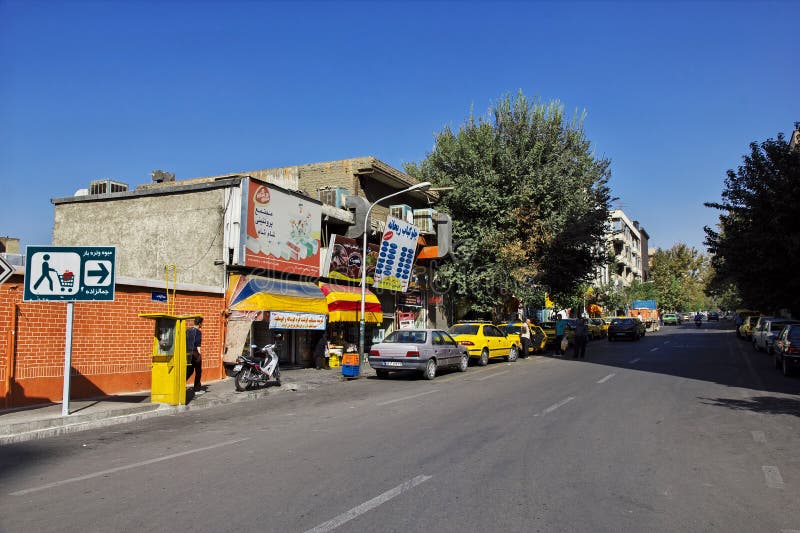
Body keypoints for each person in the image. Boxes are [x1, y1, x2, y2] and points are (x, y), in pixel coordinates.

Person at [186, 317, 205, 394]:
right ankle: (197, 389)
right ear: (199, 323)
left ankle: (180, 384)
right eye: (202, 323)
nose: (202, 325)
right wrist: (200, 355)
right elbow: (198, 345)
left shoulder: (188, 330)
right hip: (194, 353)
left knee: (189, 370)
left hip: (187, 353)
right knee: (198, 371)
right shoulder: (198, 332)